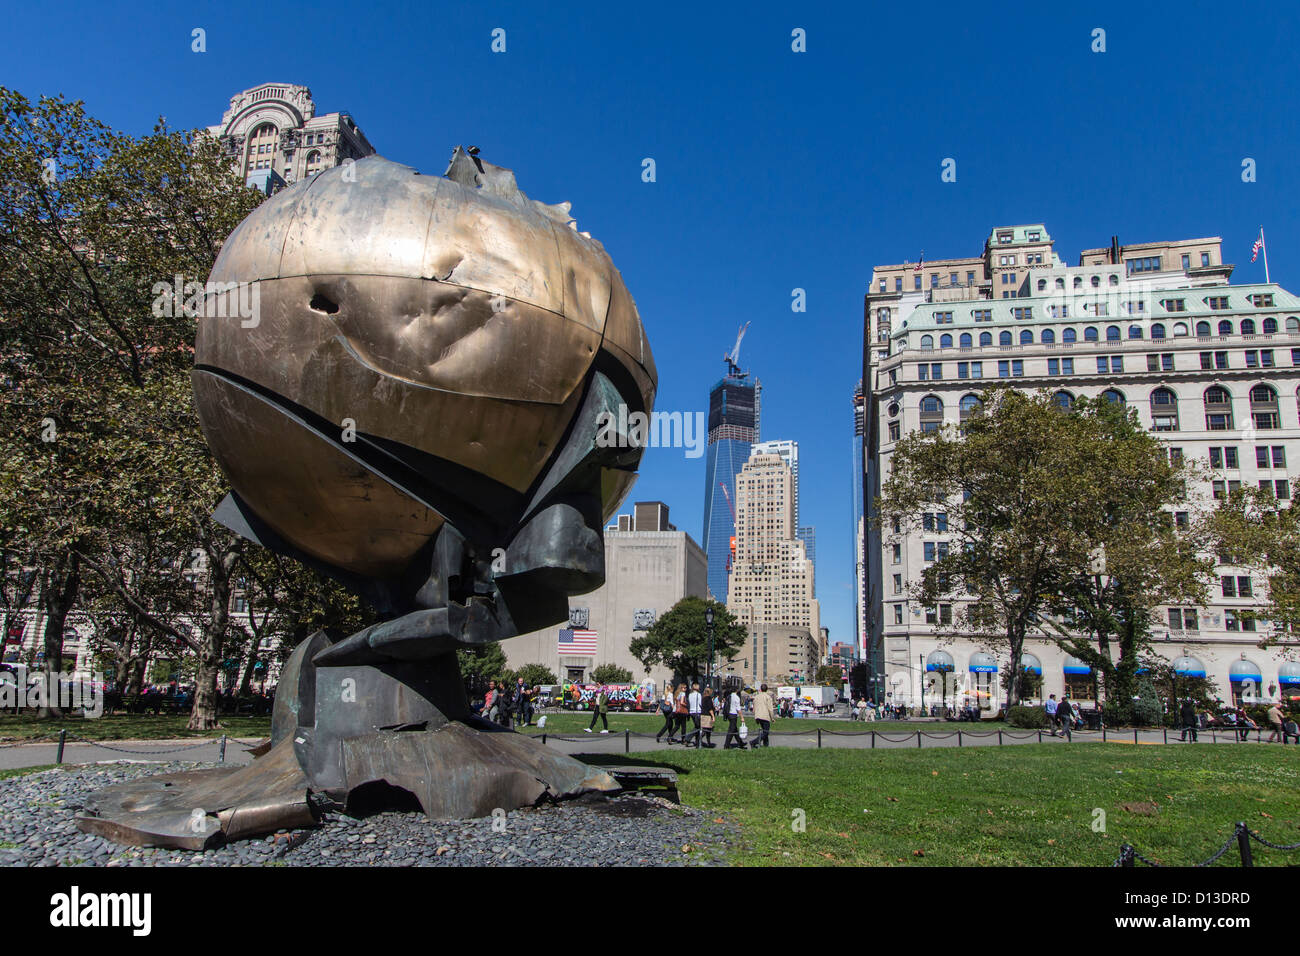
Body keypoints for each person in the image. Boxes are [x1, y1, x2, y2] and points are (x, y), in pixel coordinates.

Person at [752, 682, 775, 748]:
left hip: (758, 716)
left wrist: (755, 716)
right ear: (767, 689)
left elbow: (754, 707)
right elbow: (770, 709)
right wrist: (772, 718)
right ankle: (753, 742)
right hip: (765, 716)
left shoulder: (756, 697)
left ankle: (766, 745)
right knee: (766, 732)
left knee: (764, 731)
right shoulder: (768, 697)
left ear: (760, 689)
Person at [684, 682, 703, 747]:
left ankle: (697, 741)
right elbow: (700, 704)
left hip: (691, 712)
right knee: (698, 727)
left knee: (697, 726)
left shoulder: (690, 695)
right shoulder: (699, 695)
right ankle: (687, 738)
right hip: (697, 712)